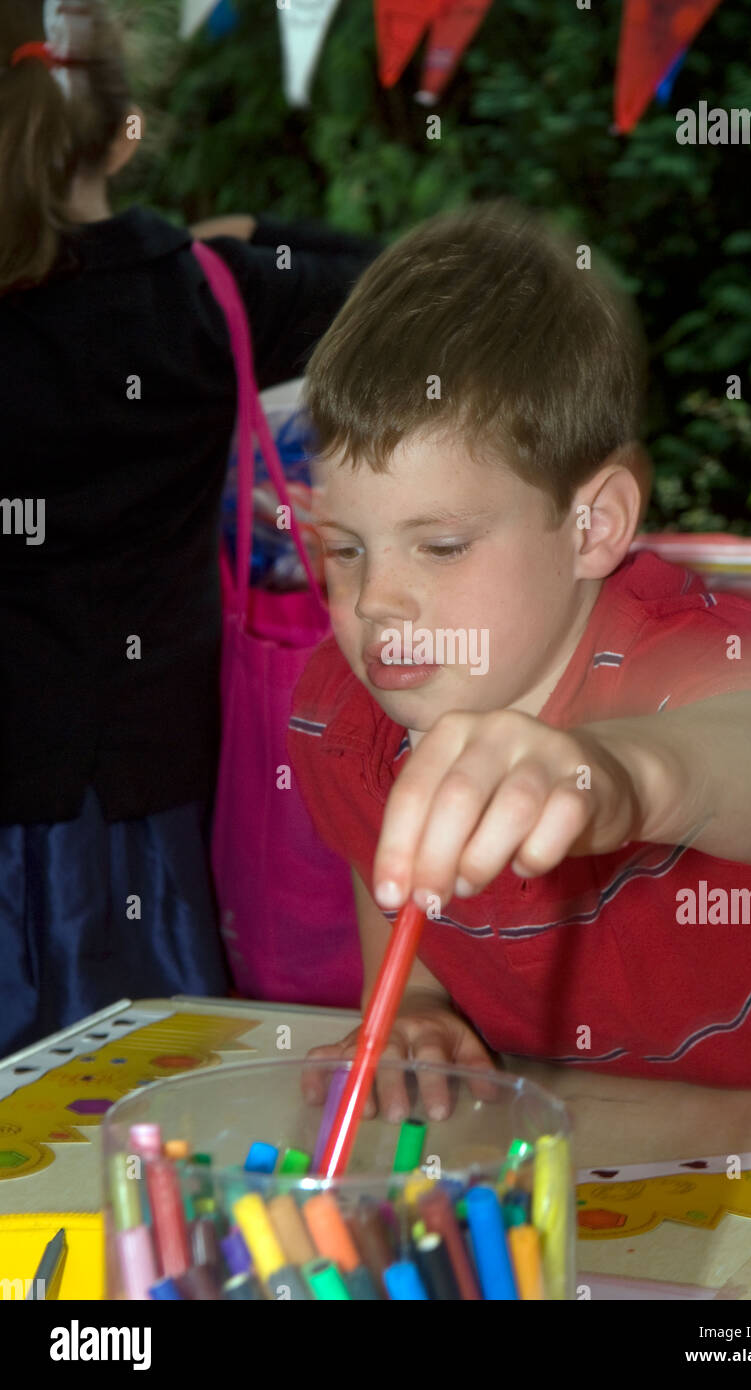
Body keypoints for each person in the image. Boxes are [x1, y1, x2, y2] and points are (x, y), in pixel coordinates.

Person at [289, 200, 751, 1117]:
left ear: (593, 524)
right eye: (345, 549)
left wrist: (618, 774)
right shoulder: (344, 711)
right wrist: (416, 1008)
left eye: (439, 546)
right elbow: (385, 840)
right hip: (606, 1148)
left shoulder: (667, 651)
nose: (373, 603)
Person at [0, 0, 382, 1056]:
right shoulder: (206, 295)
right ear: (124, 138)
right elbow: (405, 274)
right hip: (156, 798)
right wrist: (254, 239)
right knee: (144, 1090)